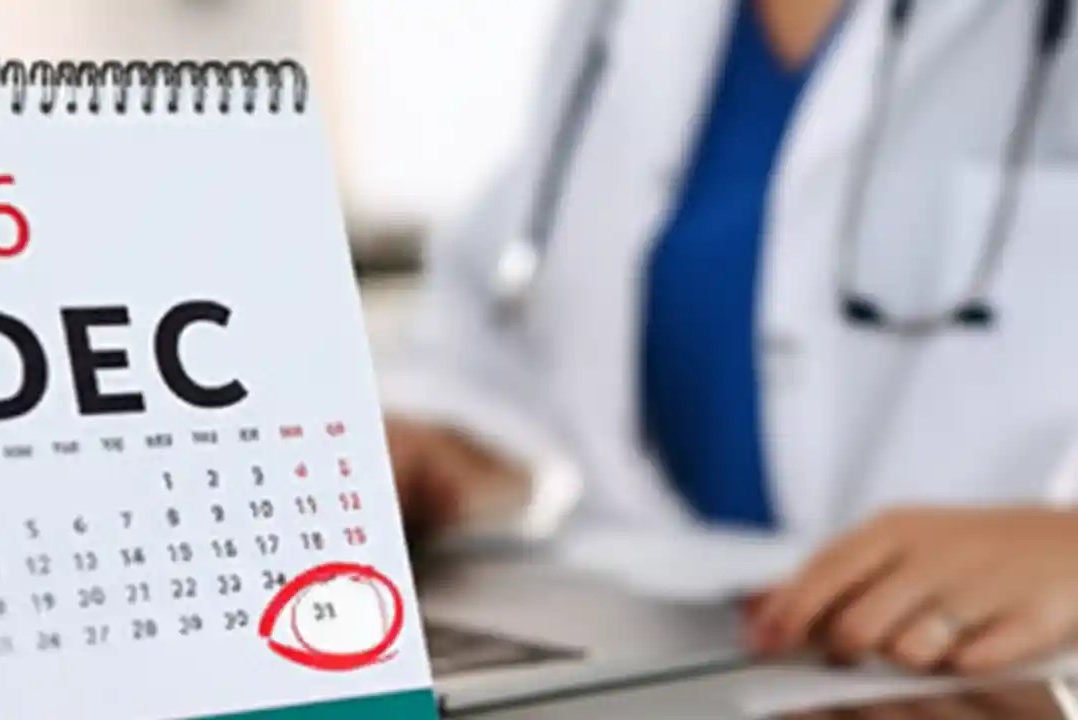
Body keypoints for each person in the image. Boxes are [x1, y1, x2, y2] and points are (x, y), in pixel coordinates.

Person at [381, 0, 1078, 673]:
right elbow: (503, 319)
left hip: (979, 673)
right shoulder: (619, 14)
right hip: (669, 638)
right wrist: (434, 446)